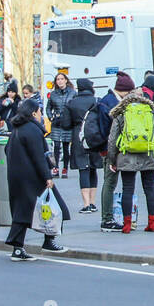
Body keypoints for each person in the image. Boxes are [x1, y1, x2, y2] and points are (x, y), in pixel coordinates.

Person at [4, 98, 66, 260]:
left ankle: (19, 247)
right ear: (33, 113)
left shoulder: (17, 129)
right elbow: (38, 156)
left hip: (17, 176)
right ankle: (48, 241)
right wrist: (47, 176)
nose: (41, 115)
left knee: (23, 211)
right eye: (39, 112)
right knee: (52, 207)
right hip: (32, 177)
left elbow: (6, 150)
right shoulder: (32, 130)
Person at [106, 77, 154, 234]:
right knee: (149, 189)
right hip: (148, 153)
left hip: (126, 155)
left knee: (128, 189)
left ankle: (127, 224)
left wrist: (112, 160)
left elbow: (112, 139)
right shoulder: (150, 112)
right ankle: (152, 223)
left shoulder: (121, 113)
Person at [96, 73, 129, 232]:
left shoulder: (106, 101)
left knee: (110, 183)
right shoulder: (112, 103)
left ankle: (108, 217)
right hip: (112, 150)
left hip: (109, 149)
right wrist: (110, 153)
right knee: (109, 183)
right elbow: (108, 131)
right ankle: (107, 219)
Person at [66, 78, 101, 213]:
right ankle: (93, 202)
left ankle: (85, 204)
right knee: (93, 169)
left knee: (83, 168)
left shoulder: (72, 103)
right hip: (94, 136)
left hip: (78, 136)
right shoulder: (96, 101)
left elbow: (65, 124)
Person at [46, 72, 75, 178]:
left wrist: (73, 119)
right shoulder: (53, 94)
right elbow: (48, 107)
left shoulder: (72, 93)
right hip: (56, 123)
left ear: (66, 80)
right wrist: (51, 117)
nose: (60, 81)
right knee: (56, 146)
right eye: (58, 79)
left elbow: (75, 106)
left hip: (67, 123)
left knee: (66, 146)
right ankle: (56, 167)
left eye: (62, 79)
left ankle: (65, 168)